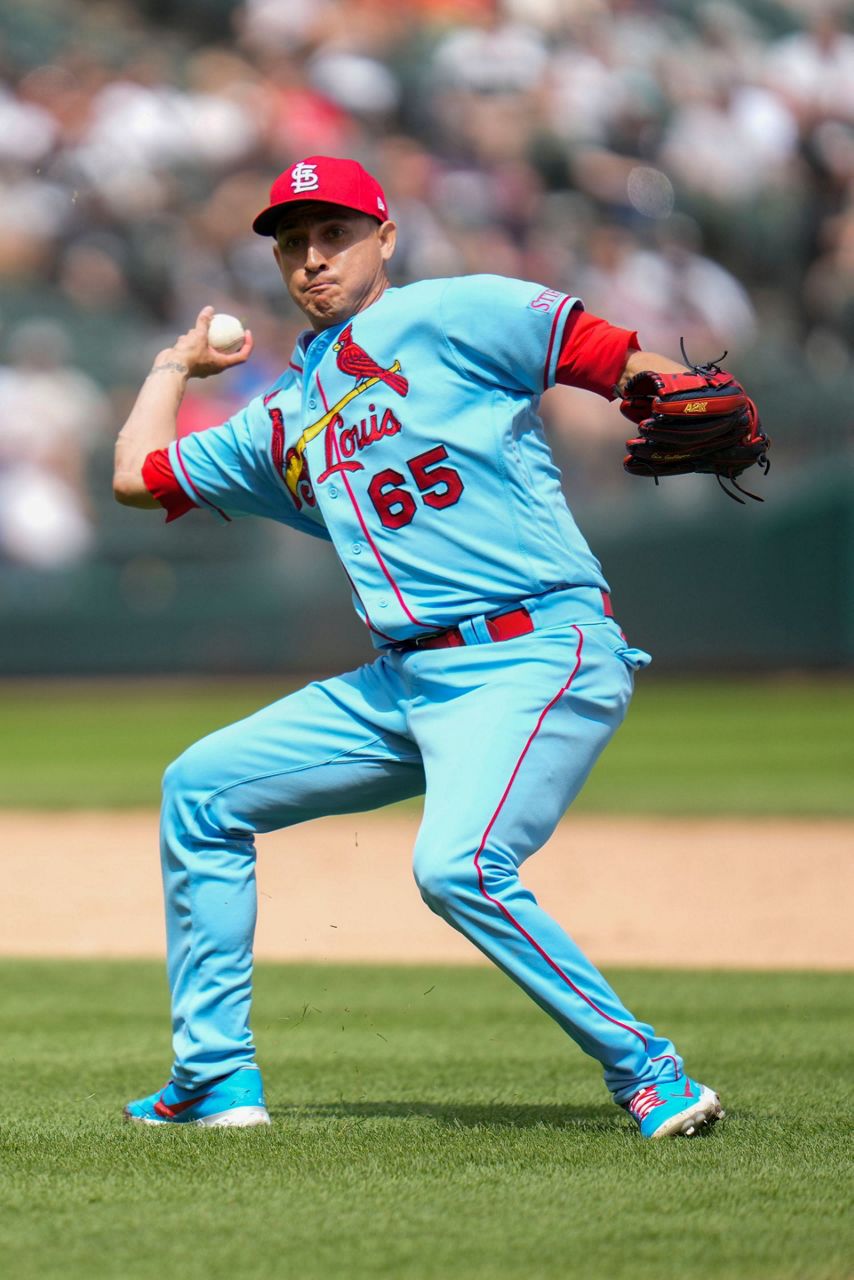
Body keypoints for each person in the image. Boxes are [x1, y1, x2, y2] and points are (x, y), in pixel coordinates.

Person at [114, 155, 725, 1137]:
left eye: (333, 234)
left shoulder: (449, 313)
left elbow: (602, 351)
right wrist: (169, 370)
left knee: (458, 865)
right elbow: (139, 477)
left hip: (533, 646)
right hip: (407, 678)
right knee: (200, 789)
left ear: (383, 238)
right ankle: (214, 1077)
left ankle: (648, 1069)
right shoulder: (279, 415)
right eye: (292, 242)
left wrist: (661, 384)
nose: (311, 258)